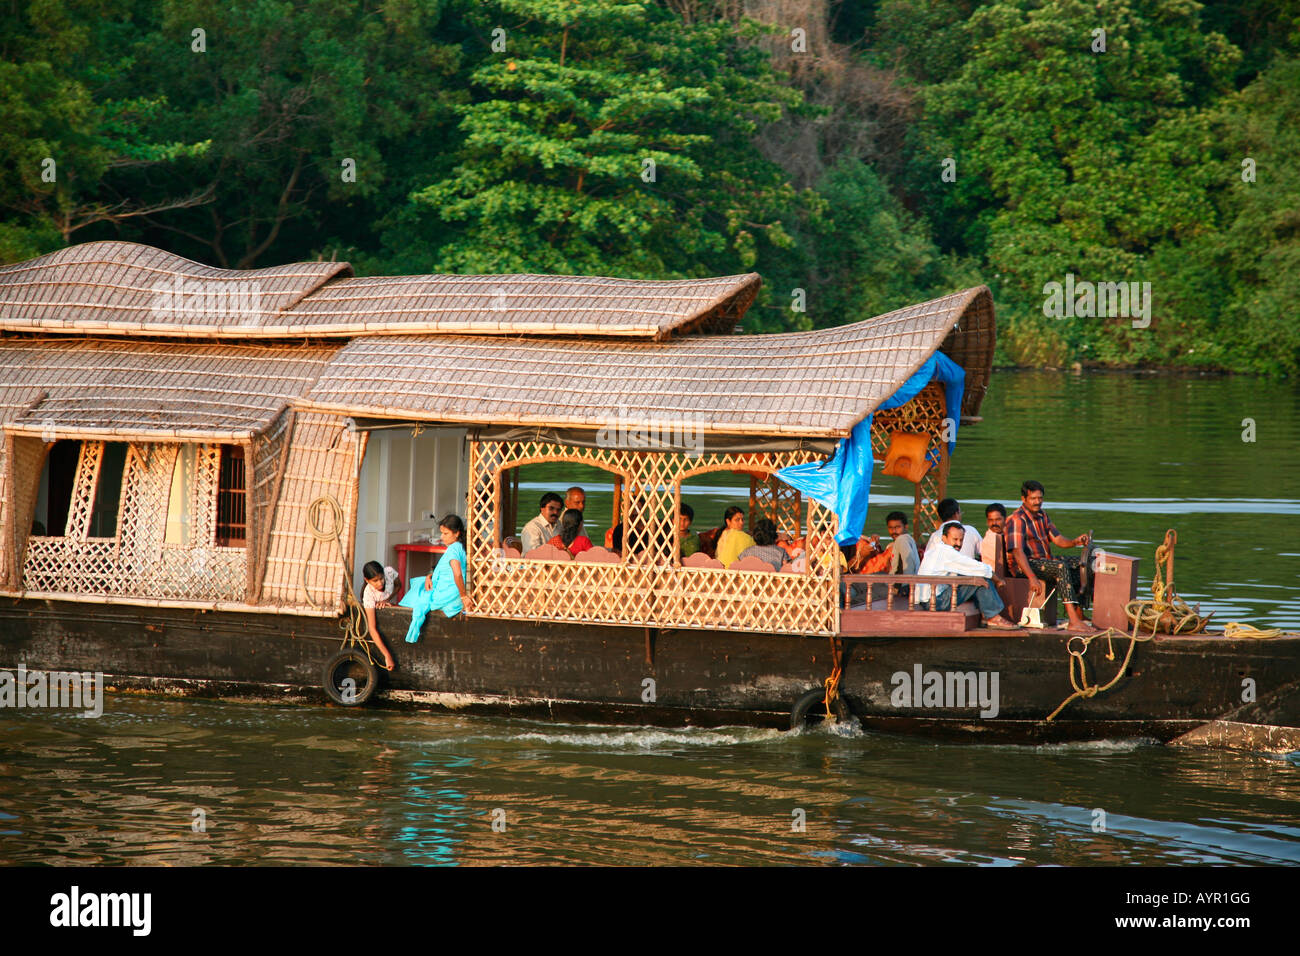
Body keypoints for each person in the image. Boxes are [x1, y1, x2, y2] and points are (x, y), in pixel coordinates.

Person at [1004, 479, 1094, 632]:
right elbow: (1018, 552)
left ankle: (1079, 614)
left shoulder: (1042, 515)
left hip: (1043, 561)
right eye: (1033, 498)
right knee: (1060, 567)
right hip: (1024, 565)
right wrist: (1032, 577)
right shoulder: (1017, 520)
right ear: (1023, 499)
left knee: (1083, 564)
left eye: (1040, 498)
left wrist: (1075, 541)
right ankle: (1073, 620)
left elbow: (1058, 539)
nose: (1037, 502)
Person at [915, 522, 1018, 629]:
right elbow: (981, 568)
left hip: (929, 599)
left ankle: (986, 616)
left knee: (975, 576)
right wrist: (998, 580)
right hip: (935, 602)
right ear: (944, 538)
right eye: (955, 539)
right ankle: (993, 617)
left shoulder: (937, 549)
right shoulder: (946, 552)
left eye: (961, 540)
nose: (958, 544)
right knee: (981, 578)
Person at [401, 515, 470, 643]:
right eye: (442, 533)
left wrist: (463, 596)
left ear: (457, 534)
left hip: (449, 594)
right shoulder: (460, 547)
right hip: (453, 591)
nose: (442, 537)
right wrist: (430, 576)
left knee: (418, 590)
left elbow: (458, 574)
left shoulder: (453, 550)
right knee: (423, 581)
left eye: (446, 533)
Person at [360, 560, 399, 671]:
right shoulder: (368, 594)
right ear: (367, 580)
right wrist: (387, 655)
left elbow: (398, 586)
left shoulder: (389, 572)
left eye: (381, 578)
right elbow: (372, 628)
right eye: (375, 581)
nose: (380, 583)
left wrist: (387, 600)